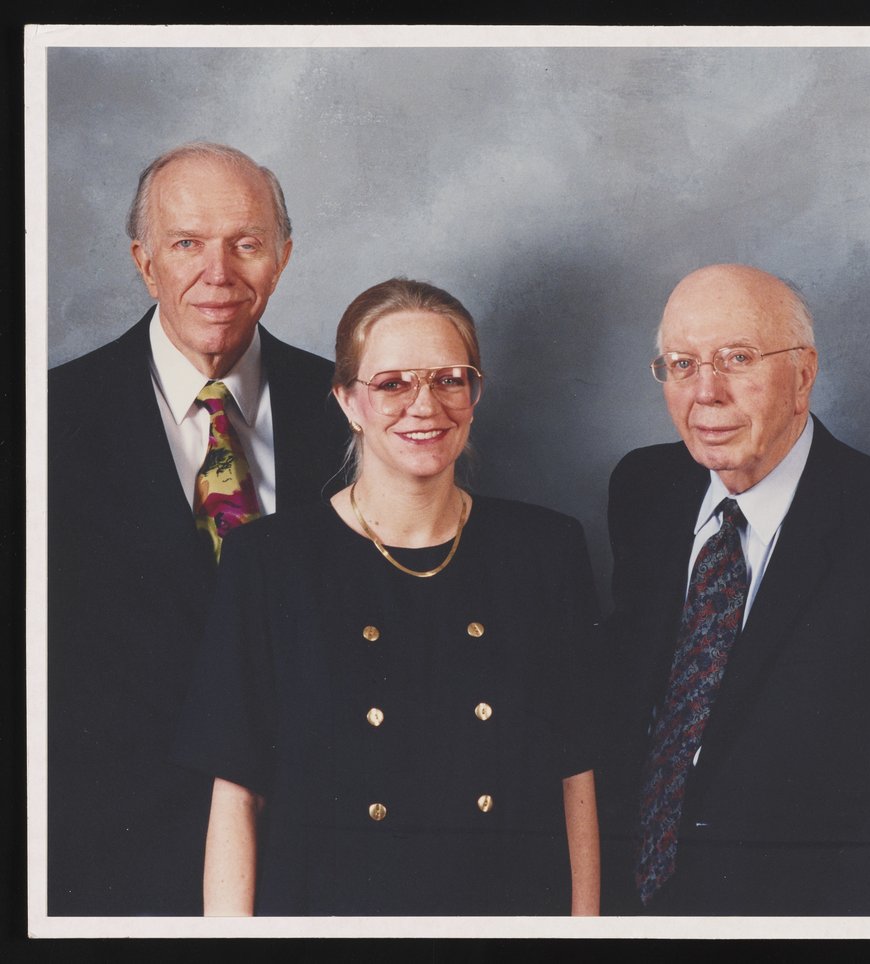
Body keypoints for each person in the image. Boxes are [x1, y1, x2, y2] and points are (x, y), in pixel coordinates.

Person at [171, 278, 601, 916]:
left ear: (474, 394)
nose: (424, 406)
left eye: (449, 379)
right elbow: (236, 796)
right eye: (392, 383)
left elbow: (577, 779)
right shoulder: (269, 561)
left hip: (504, 914)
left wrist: (583, 939)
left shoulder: (545, 550)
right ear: (348, 400)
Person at [47, 142, 347, 915]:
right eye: (186, 244)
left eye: (245, 244)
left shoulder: (355, 410)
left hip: (318, 857)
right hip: (107, 866)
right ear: (145, 262)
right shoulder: (45, 422)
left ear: (281, 259)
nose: (218, 273)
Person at [598, 263, 870, 915]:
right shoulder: (646, 487)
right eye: (681, 364)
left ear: (804, 373)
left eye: (737, 358)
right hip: (628, 904)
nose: (706, 392)